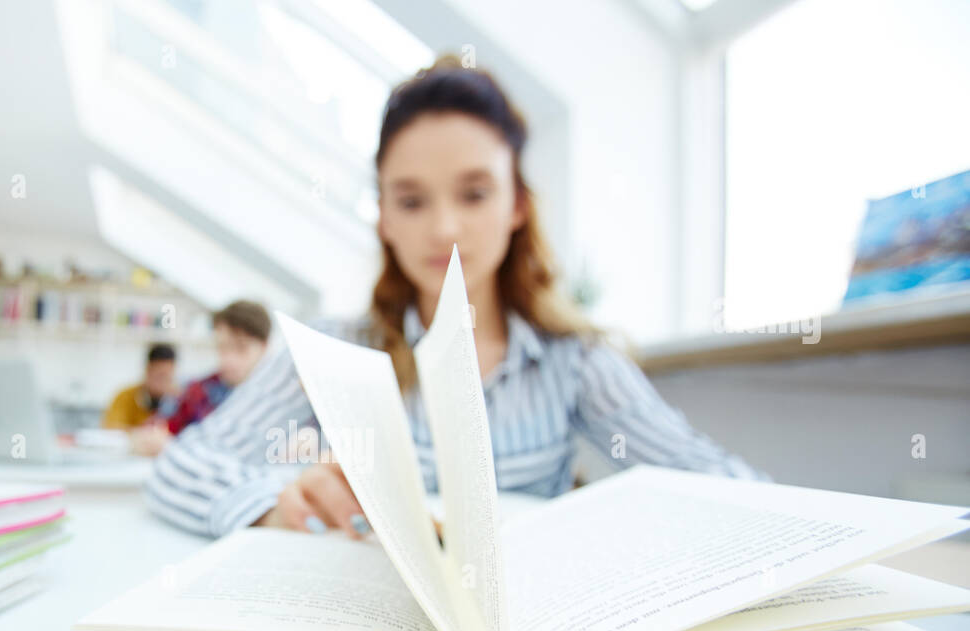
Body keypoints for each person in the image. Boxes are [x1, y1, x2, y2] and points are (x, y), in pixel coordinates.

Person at [146, 54, 766, 538]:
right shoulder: (332, 349)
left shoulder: (575, 360)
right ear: (384, 218)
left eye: (473, 194)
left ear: (517, 204)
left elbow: (715, 481)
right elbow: (184, 467)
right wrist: (275, 507)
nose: (444, 229)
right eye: (413, 201)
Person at [166, 300, 272, 435]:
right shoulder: (196, 392)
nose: (229, 359)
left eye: (241, 348)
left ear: (264, 348)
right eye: (222, 347)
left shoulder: (275, 400)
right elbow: (160, 429)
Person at [103, 343, 179, 456]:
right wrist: (141, 434)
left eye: (167, 377)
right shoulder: (125, 396)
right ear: (148, 370)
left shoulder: (180, 400)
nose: (163, 382)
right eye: (159, 375)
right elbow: (111, 429)